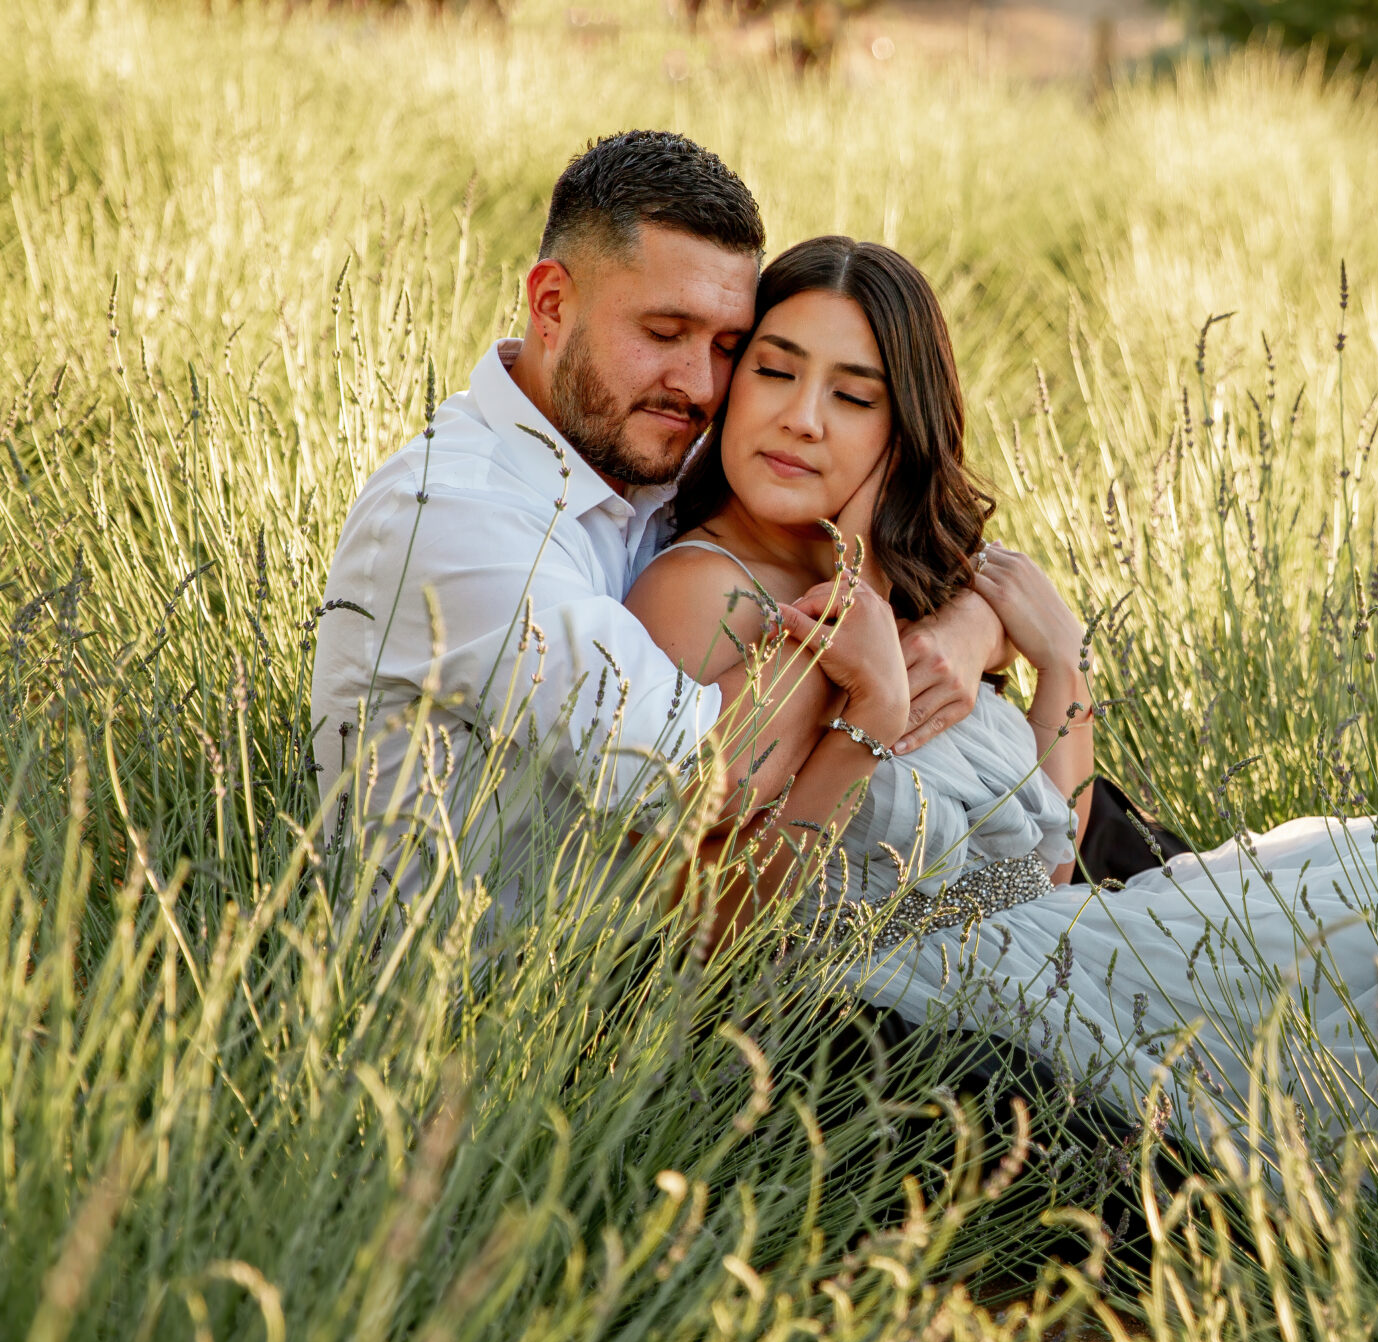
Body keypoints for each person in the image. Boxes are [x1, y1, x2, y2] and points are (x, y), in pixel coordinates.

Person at [625, 235, 1378, 1153]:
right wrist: (864, 723)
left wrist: (1061, 664)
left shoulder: (894, 591)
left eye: (853, 396)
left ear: (903, 430)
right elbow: (711, 929)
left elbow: (1040, 870)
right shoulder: (702, 593)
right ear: (731, 380)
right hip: (923, 1017)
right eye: (775, 370)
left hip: (1045, 947)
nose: (800, 417)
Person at [311, 132, 1009, 928]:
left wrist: (967, 632)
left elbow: (964, 555)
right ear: (551, 306)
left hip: (681, 962)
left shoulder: (657, 439)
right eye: (664, 332)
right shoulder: (452, 516)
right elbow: (689, 784)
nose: (702, 384)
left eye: (727, 347)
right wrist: (862, 608)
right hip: (489, 1014)